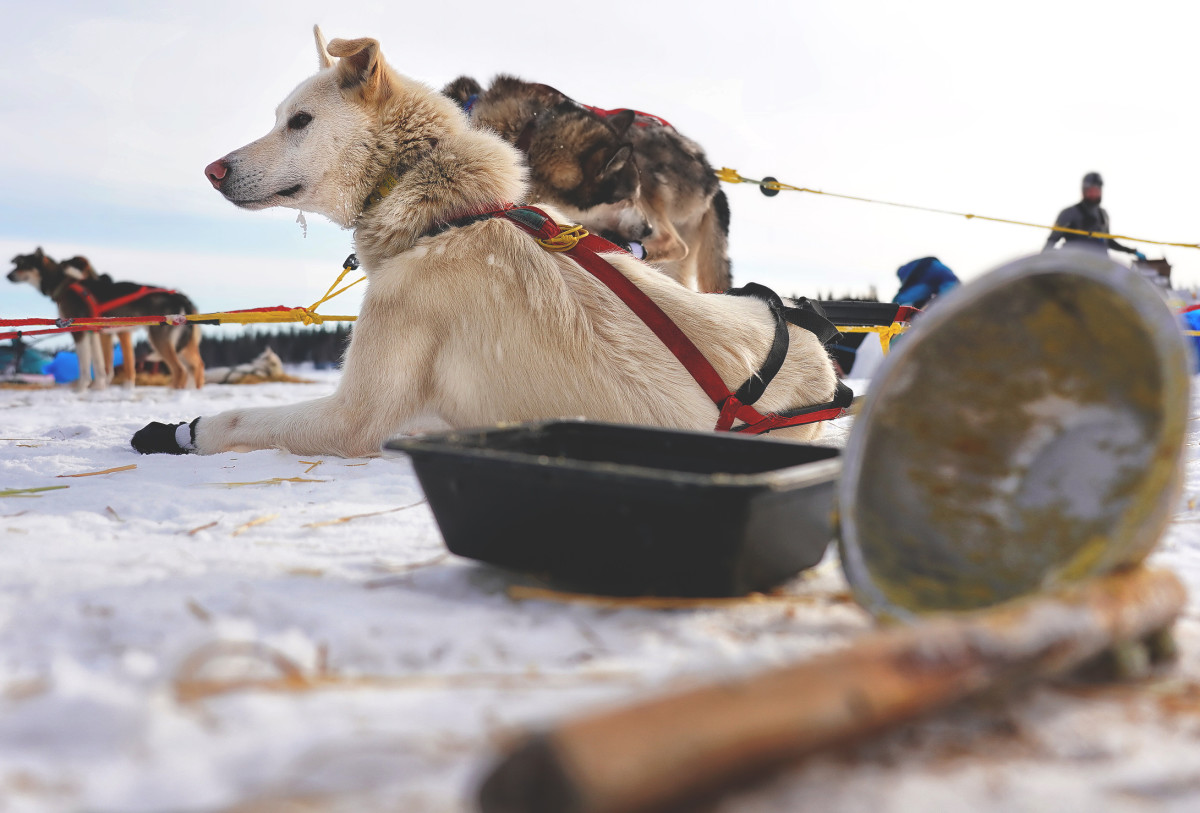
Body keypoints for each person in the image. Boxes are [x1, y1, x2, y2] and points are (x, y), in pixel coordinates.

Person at [1043, 172, 1146, 260]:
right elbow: (1051, 241)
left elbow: (1107, 240)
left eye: (1096, 191)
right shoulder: (1069, 213)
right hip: (1075, 264)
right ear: (1083, 191)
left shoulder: (1103, 215)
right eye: (1090, 191)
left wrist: (1130, 251)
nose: (1093, 194)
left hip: (1099, 266)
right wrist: (1044, 260)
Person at [892, 256, 960, 309]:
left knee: (901, 302)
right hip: (944, 275)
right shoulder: (920, 264)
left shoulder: (905, 272)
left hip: (933, 275)